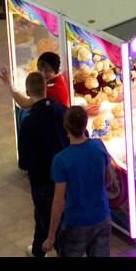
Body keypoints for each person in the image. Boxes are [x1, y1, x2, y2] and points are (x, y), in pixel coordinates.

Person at [43, 105, 114, 257]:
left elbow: (58, 201)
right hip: (102, 217)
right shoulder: (99, 145)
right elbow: (109, 180)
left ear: (65, 126)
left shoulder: (60, 160)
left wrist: (51, 236)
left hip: (76, 223)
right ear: (86, 122)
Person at [17, 71, 68, 257]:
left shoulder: (29, 122)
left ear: (28, 92)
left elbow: (24, 162)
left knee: (44, 217)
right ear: (46, 88)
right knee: (58, 217)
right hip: (65, 176)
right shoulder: (62, 111)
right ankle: (39, 249)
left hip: (42, 179)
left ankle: (41, 250)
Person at [0, 52, 69, 111]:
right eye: (40, 70)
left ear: (56, 71)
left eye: (48, 71)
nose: (43, 74)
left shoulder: (53, 91)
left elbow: (24, 104)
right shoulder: (56, 79)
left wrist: (10, 84)